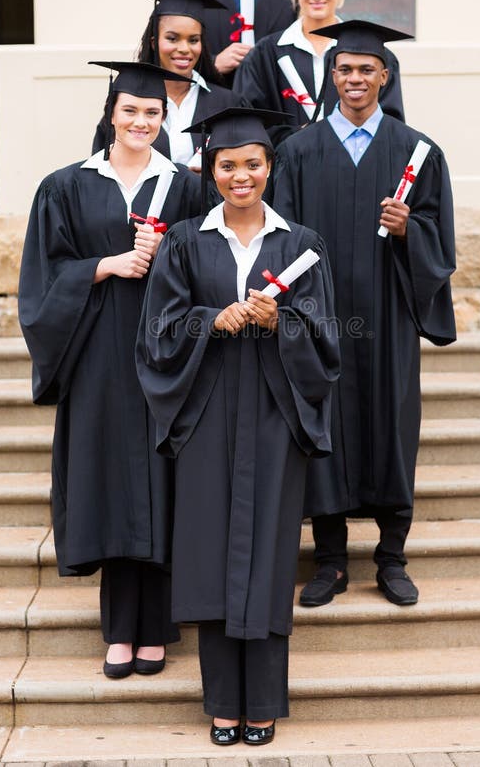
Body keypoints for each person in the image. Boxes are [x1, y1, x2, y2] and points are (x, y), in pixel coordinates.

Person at [136, 107, 339, 745]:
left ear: (269, 168)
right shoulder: (186, 242)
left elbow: (329, 336)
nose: (240, 175)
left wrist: (285, 325)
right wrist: (207, 320)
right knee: (209, 556)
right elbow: (157, 330)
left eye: (253, 164)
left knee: (271, 557)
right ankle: (223, 703)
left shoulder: (301, 245)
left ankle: (264, 704)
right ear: (210, 170)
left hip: (276, 417)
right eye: (228, 165)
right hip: (207, 413)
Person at [19, 61, 201, 680]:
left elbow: (210, 265)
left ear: (164, 118)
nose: (141, 122)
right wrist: (108, 265)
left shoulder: (185, 187)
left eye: (152, 113)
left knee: (163, 483)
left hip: (168, 357)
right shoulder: (67, 186)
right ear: (111, 113)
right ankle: (120, 632)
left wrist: (167, 260)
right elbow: (45, 277)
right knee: (114, 489)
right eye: (130, 111)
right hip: (98, 355)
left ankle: (158, 629)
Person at [272, 21, 456, 609]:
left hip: (388, 317)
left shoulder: (418, 151)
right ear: (333, 76)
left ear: (385, 75)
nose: (355, 78)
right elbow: (282, 239)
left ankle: (392, 558)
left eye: (366, 69)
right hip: (321, 318)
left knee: (391, 428)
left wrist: (411, 232)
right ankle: (329, 561)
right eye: (345, 69)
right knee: (324, 429)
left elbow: (442, 242)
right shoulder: (296, 152)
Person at [233, 0, 405, 147]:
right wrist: (298, 137)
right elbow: (249, 125)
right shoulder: (266, 54)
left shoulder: (373, 55)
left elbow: (391, 124)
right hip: (288, 170)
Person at [92, 0, 239, 170]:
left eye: (193, 40)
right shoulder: (129, 102)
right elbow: (102, 169)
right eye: (172, 38)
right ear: (154, 42)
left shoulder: (226, 103)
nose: (184, 48)